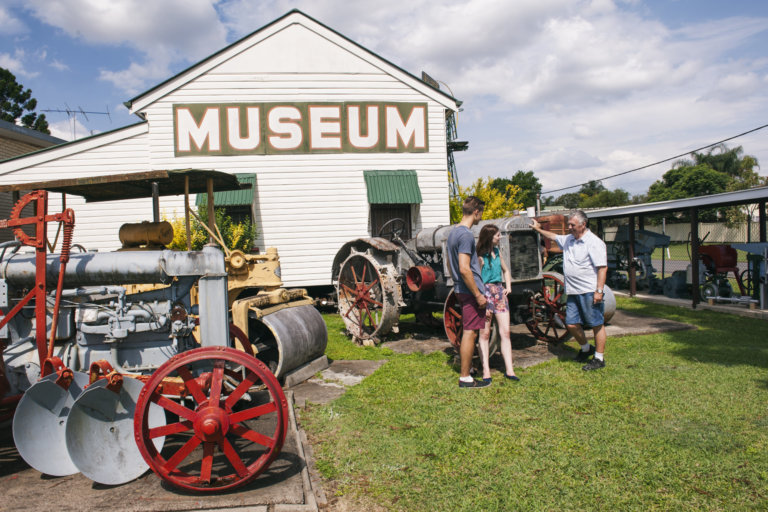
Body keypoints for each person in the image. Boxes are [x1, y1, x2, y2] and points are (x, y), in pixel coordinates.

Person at [530, 210, 609, 371]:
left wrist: (599, 291)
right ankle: (587, 349)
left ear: (583, 224)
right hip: (572, 291)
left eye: (572, 225)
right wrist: (537, 229)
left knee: (596, 324)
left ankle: (599, 358)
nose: (570, 227)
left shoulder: (594, 242)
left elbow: (602, 268)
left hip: (588, 290)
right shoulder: (569, 239)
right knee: (571, 323)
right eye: (569, 225)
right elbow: (553, 236)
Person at [446, 196, 490, 388]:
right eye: (481, 213)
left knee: (468, 330)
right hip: (470, 291)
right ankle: (465, 378)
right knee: (470, 333)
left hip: (459, 288)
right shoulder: (465, 235)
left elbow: (450, 264)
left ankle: (468, 369)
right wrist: (478, 295)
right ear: (476, 212)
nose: (481, 217)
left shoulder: (452, 233)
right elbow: (464, 268)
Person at [476, 224, 519, 383]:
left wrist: (508, 287)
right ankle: (486, 371)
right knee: (485, 334)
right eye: (498, 235)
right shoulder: (480, 257)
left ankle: (510, 370)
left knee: (505, 332)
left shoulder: (497, 252)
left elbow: (506, 270)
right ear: (490, 237)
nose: (500, 237)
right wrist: (481, 300)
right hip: (485, 295)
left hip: (499, 293)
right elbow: (476, 279)